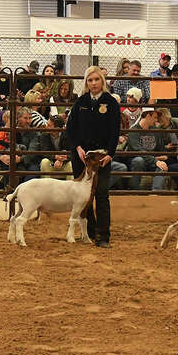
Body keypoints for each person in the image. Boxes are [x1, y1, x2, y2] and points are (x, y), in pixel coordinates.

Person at [65, 66, 120, 247]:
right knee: (83, 197)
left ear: (102, 82)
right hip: (81, 157)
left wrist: (110, 154)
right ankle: (88, 232)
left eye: (96, 80)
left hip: (101, 157)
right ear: (86, 83)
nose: (93, 83)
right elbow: (70, 130)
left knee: (102, 193)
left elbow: (115, 131)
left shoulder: (110, 103)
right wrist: (78, 148)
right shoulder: (80, 103)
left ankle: (103, 235)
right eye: (90, 80)